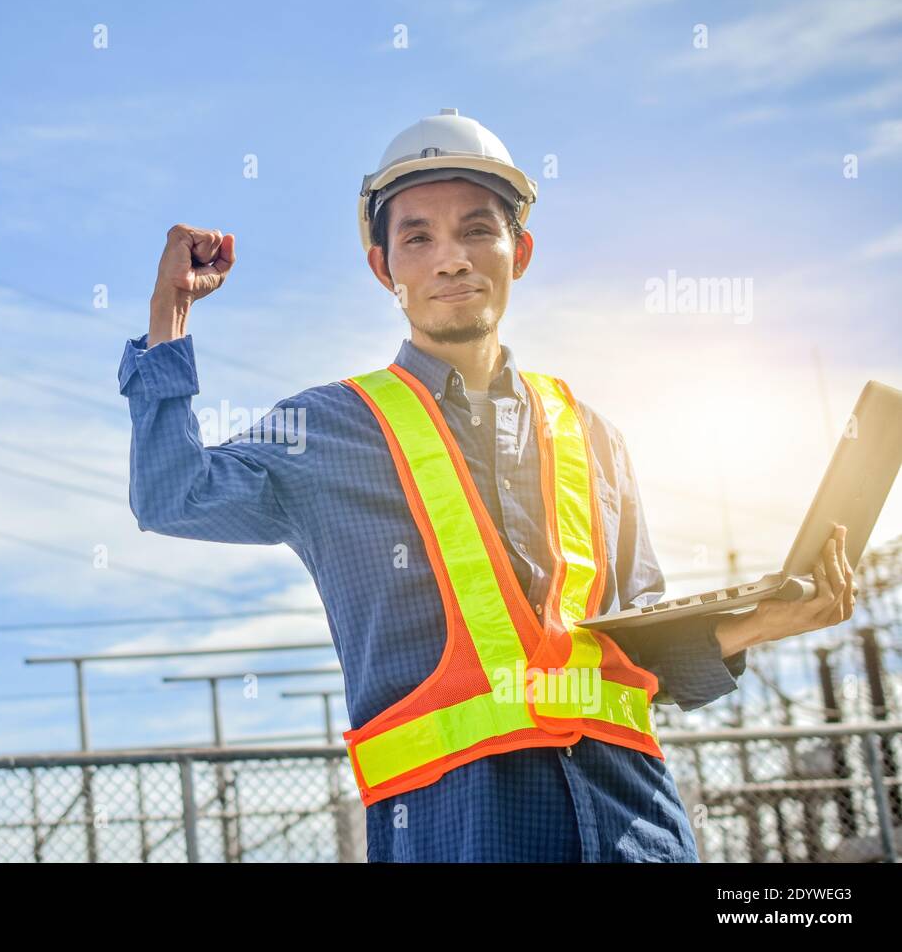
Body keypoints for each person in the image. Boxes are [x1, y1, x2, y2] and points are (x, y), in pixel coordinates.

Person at [116, 109, 856, 862]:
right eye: (418, 238)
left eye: (477, 231)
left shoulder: (591, 435)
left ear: (519, 251)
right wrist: (169, 314)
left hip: (636, 827)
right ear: (383, 268)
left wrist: (764, 621)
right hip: (459, 831)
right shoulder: (327, 430)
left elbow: (637, 657)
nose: (452, 260)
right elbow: (173, 494)